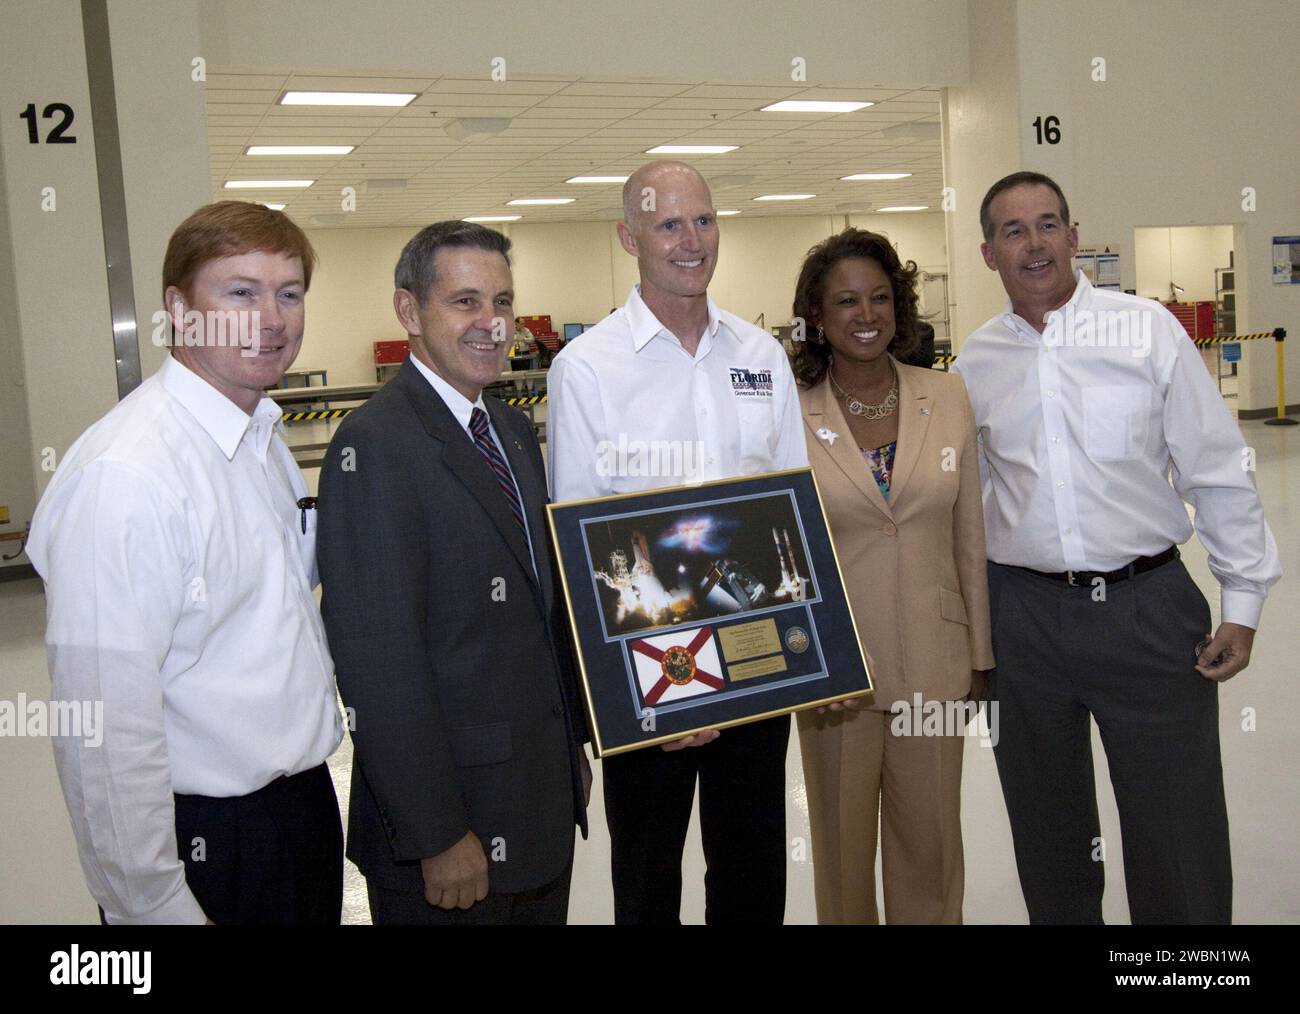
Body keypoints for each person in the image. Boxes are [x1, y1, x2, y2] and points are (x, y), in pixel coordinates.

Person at [954, 171, 1281, 924]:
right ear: (987, 253)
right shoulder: (975, 363)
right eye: (1012, 230)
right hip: (1025, 619)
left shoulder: (1147, 330)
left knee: (1177, 826)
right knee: (1048, 829)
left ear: (1074, 239)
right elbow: (965, 505)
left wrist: (1243, 600)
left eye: (1047, 225)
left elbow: (1215, 464)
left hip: (1148, 607)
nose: (1033, 244)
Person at [26, 201, 344, 925]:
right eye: (240, 292)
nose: (272, 318)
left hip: (299, 811)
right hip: (205, 841)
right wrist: (152, 905)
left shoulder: (260, 440)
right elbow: (103, 731)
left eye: (288, 293)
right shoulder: (127, 475)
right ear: (178, 307)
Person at [547, 160, 807, 924]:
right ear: (630, 236)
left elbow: (792, 512)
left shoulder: (760, 358)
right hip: (648, 675)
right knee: (650, 877)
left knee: (753, 870)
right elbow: (588, 548)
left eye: (704, 220)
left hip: (757, 660)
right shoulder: (587, 370)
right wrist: (672, 678)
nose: (690, 241)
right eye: (668, 224)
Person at [316, 221, 590, 925]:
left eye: (502, 303)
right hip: (451, 832)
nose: (492, 324)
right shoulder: (374, 446)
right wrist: (437, 833)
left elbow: (543, 607)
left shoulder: (512, 430)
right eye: (465, 302)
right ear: (409, 310)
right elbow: (378, 662)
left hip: (536, 806)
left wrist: (572, 750)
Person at [790, 228, 993, 924]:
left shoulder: (950, 395)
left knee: (931, 852)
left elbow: (970, 535)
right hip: (838, 674)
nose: (865, 314)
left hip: (935, 665)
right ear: (817, 315)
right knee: (843, 861)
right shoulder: (789, 411)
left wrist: (981, 653)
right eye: (845, 301)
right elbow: (783, 551)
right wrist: (808, 657)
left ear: (900, 308)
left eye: (880, 297)